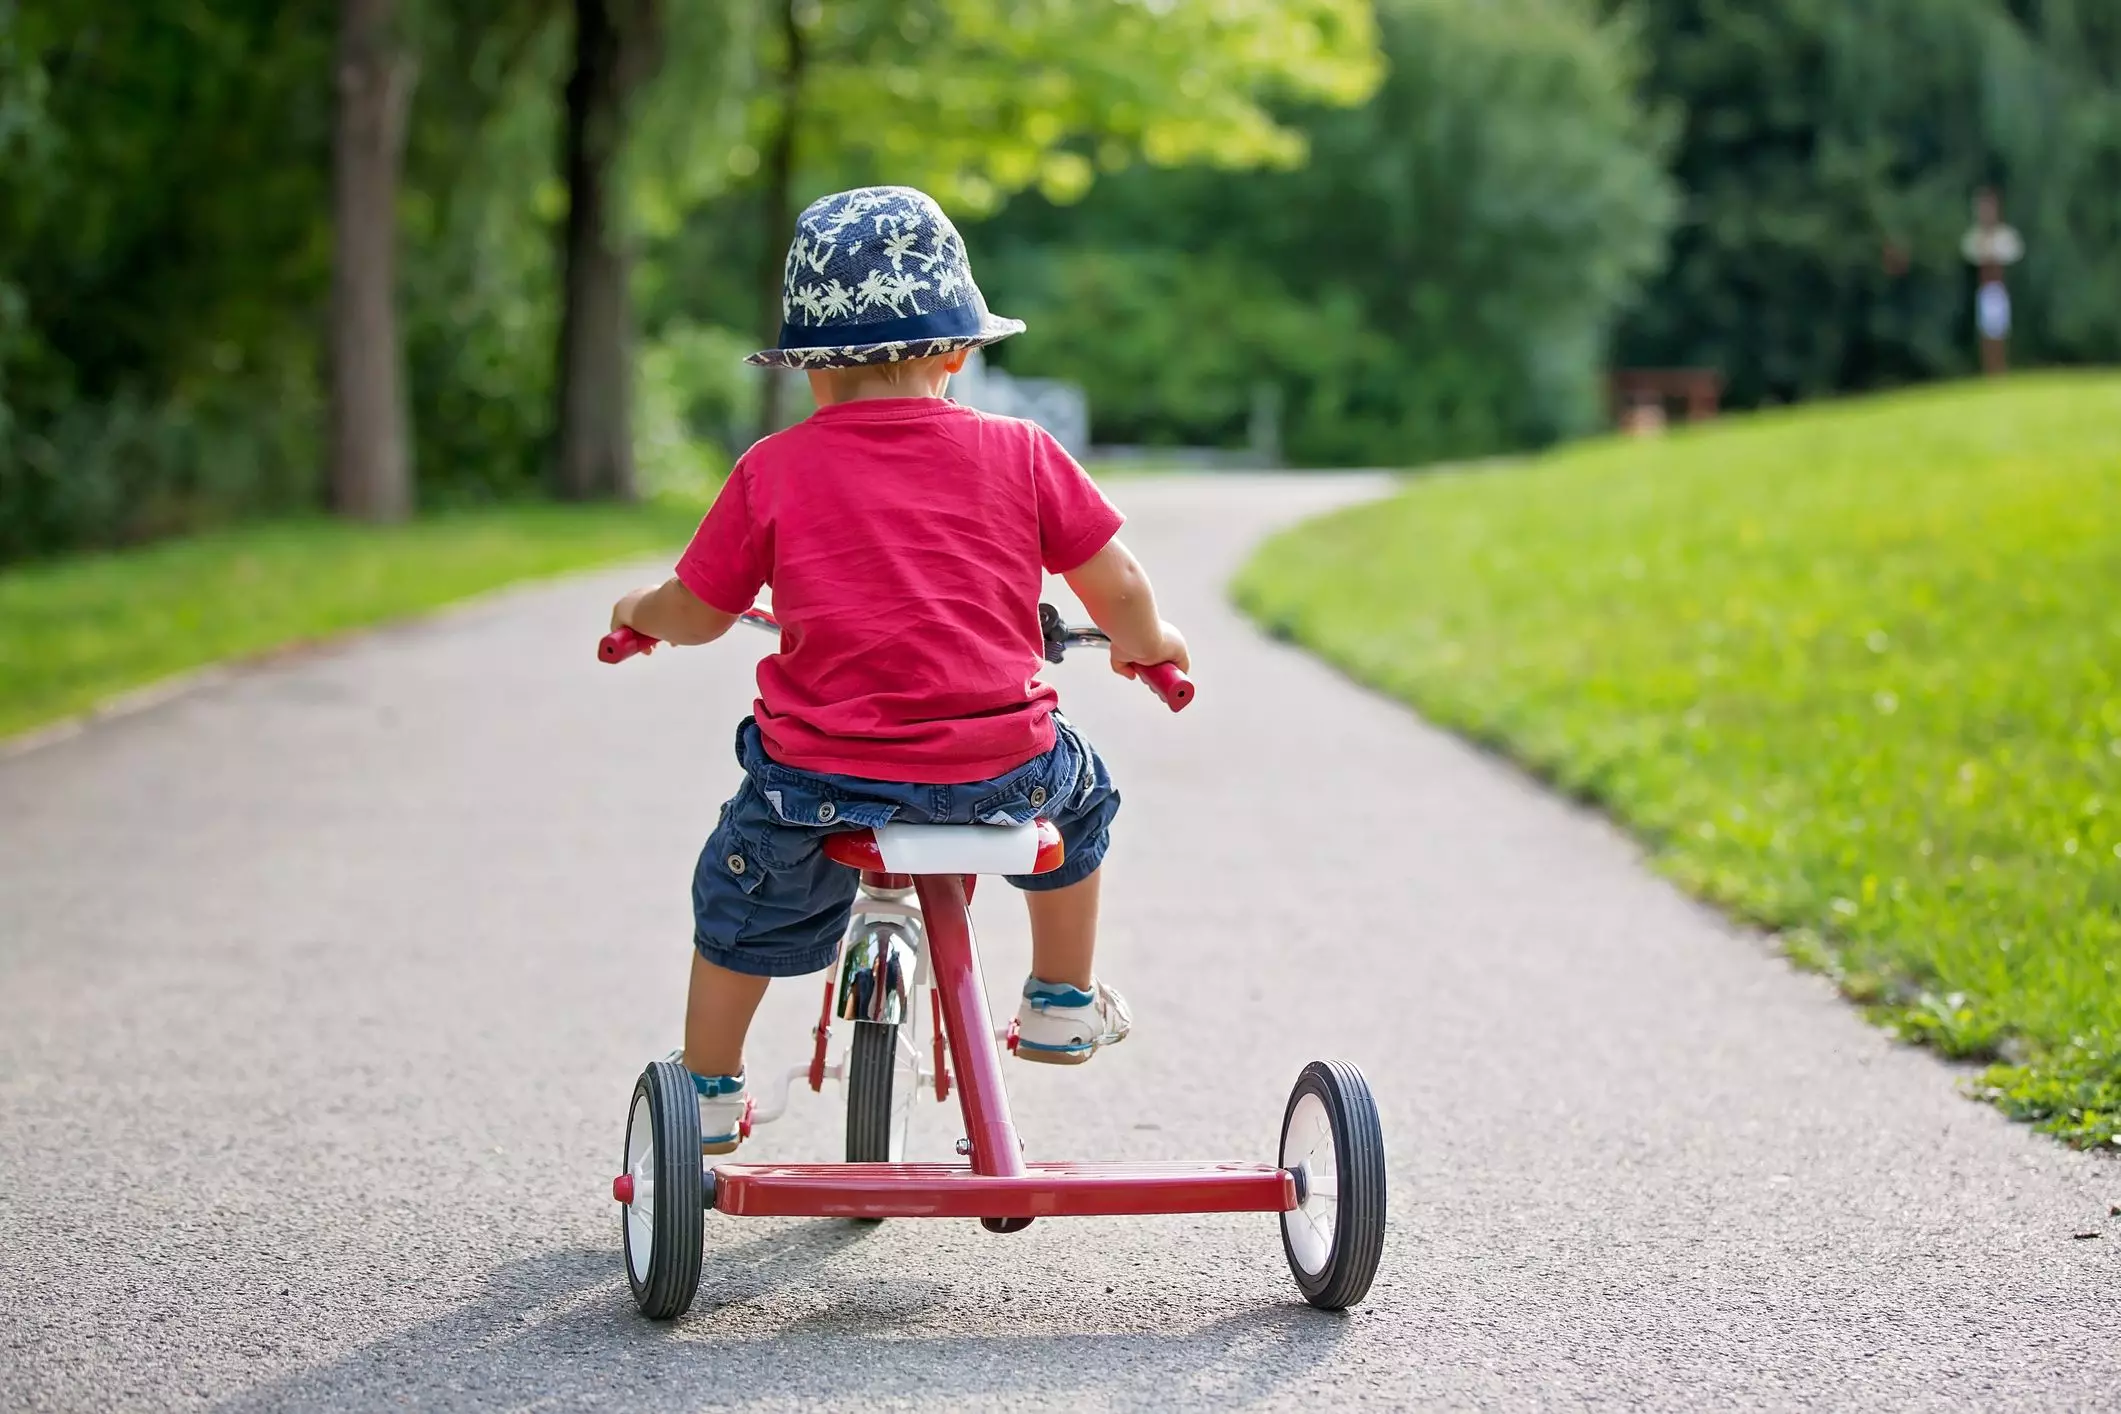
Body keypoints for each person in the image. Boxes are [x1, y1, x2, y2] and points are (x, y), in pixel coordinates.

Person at [607, 186, 1189, 1153]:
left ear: (807, 371)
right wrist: (1149, 642)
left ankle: (706, 1089)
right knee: (1081, 799)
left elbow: (701, 611)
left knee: (739, 895)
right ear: (957, 353)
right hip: (1002, 768)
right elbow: (1114, 580)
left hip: (819, 781)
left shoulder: (771, 470)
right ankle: (1057, 1000)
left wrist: (640, 616)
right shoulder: (1023, 453)